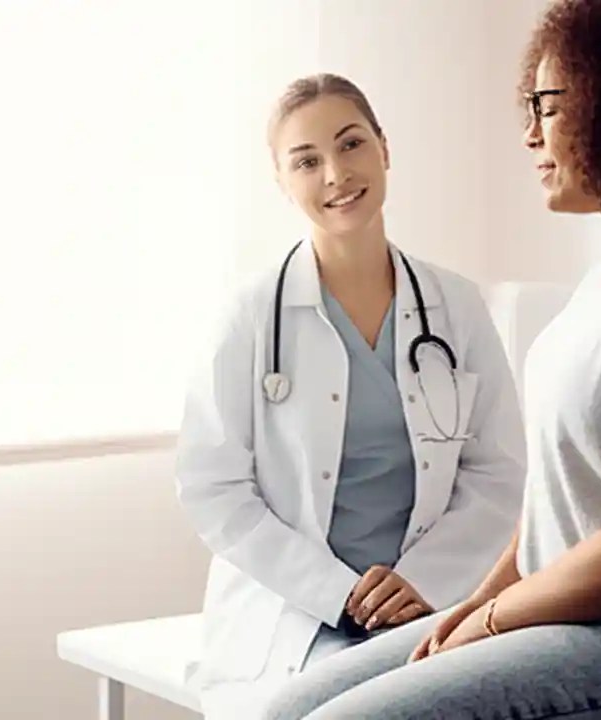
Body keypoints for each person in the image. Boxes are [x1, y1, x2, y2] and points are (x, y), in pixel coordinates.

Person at [264, 1, 601, 718]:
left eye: (548, 106)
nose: (529, 134)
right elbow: (562, 497)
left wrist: (491, 623)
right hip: (588, 625)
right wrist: (483, 600)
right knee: (283, 709)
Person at [174, 73, 526, 719]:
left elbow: (497, 472)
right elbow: (213, 487)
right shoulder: (250, 315)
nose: (336, 174)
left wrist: (422, 581)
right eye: (307, 161)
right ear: (282, 182)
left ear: (384, 150)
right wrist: (336, 592)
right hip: (298, 612)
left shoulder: (457, 305)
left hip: (431, 597)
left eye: (351, 144)